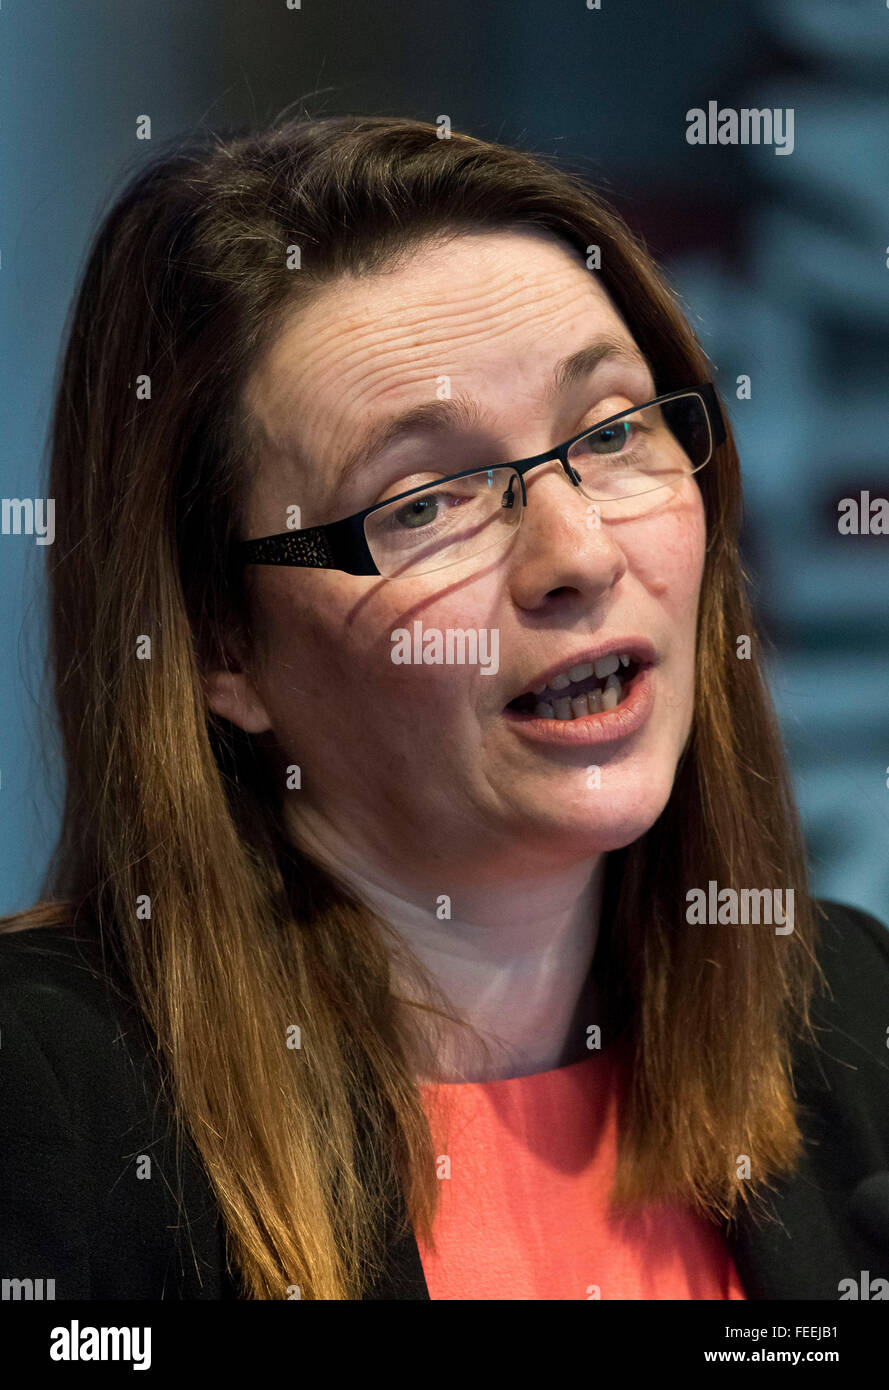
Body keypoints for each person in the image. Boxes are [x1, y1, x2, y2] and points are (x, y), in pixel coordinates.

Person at [1, 115, 887, 1301]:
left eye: (613, 430)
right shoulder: (46, 1103)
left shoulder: (850, 1007)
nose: (576, 551)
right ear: (220, 644)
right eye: (424, 502)